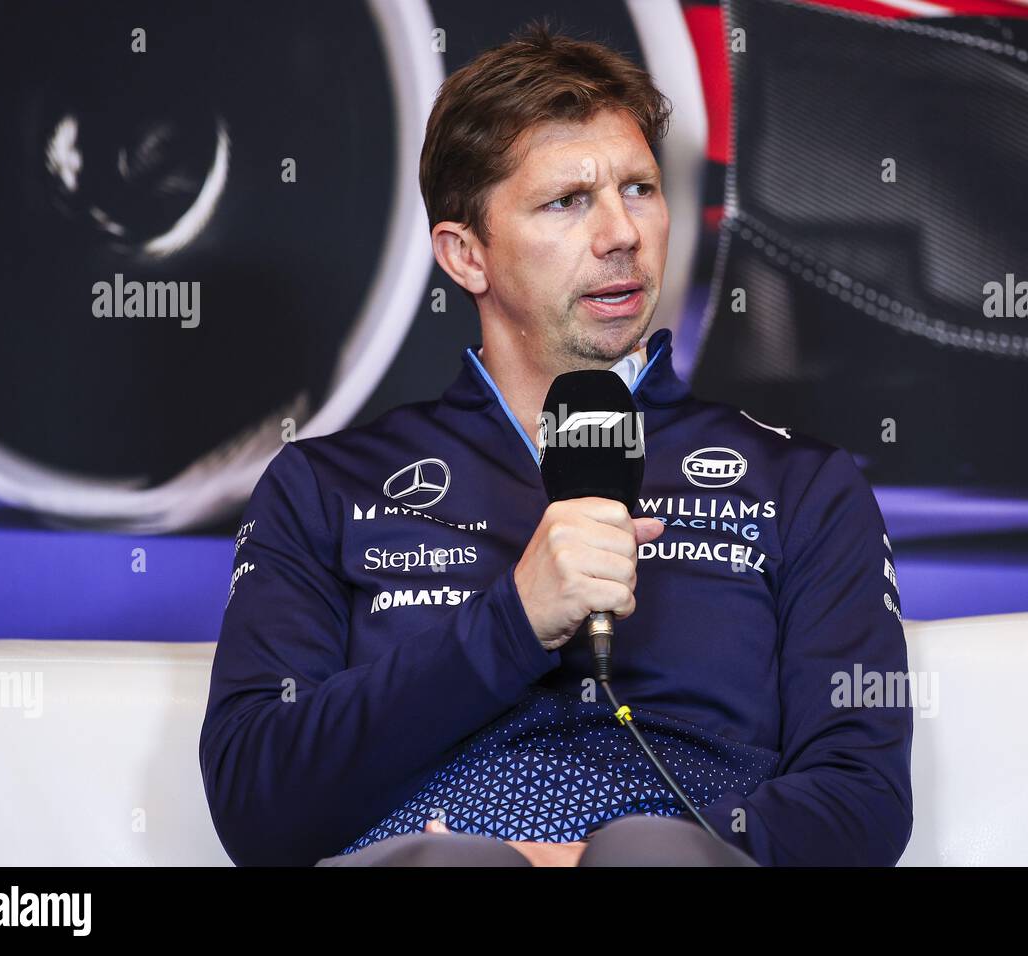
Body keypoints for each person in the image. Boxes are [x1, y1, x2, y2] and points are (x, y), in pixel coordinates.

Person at [199, 21, 913, 867]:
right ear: (466, 256)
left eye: (640, 190)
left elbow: (862, 796)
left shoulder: (800, 483)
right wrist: (513, 621)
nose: (622, 233)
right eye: (567, 202)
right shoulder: (323, 483)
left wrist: (611, 857)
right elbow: (255, 803)